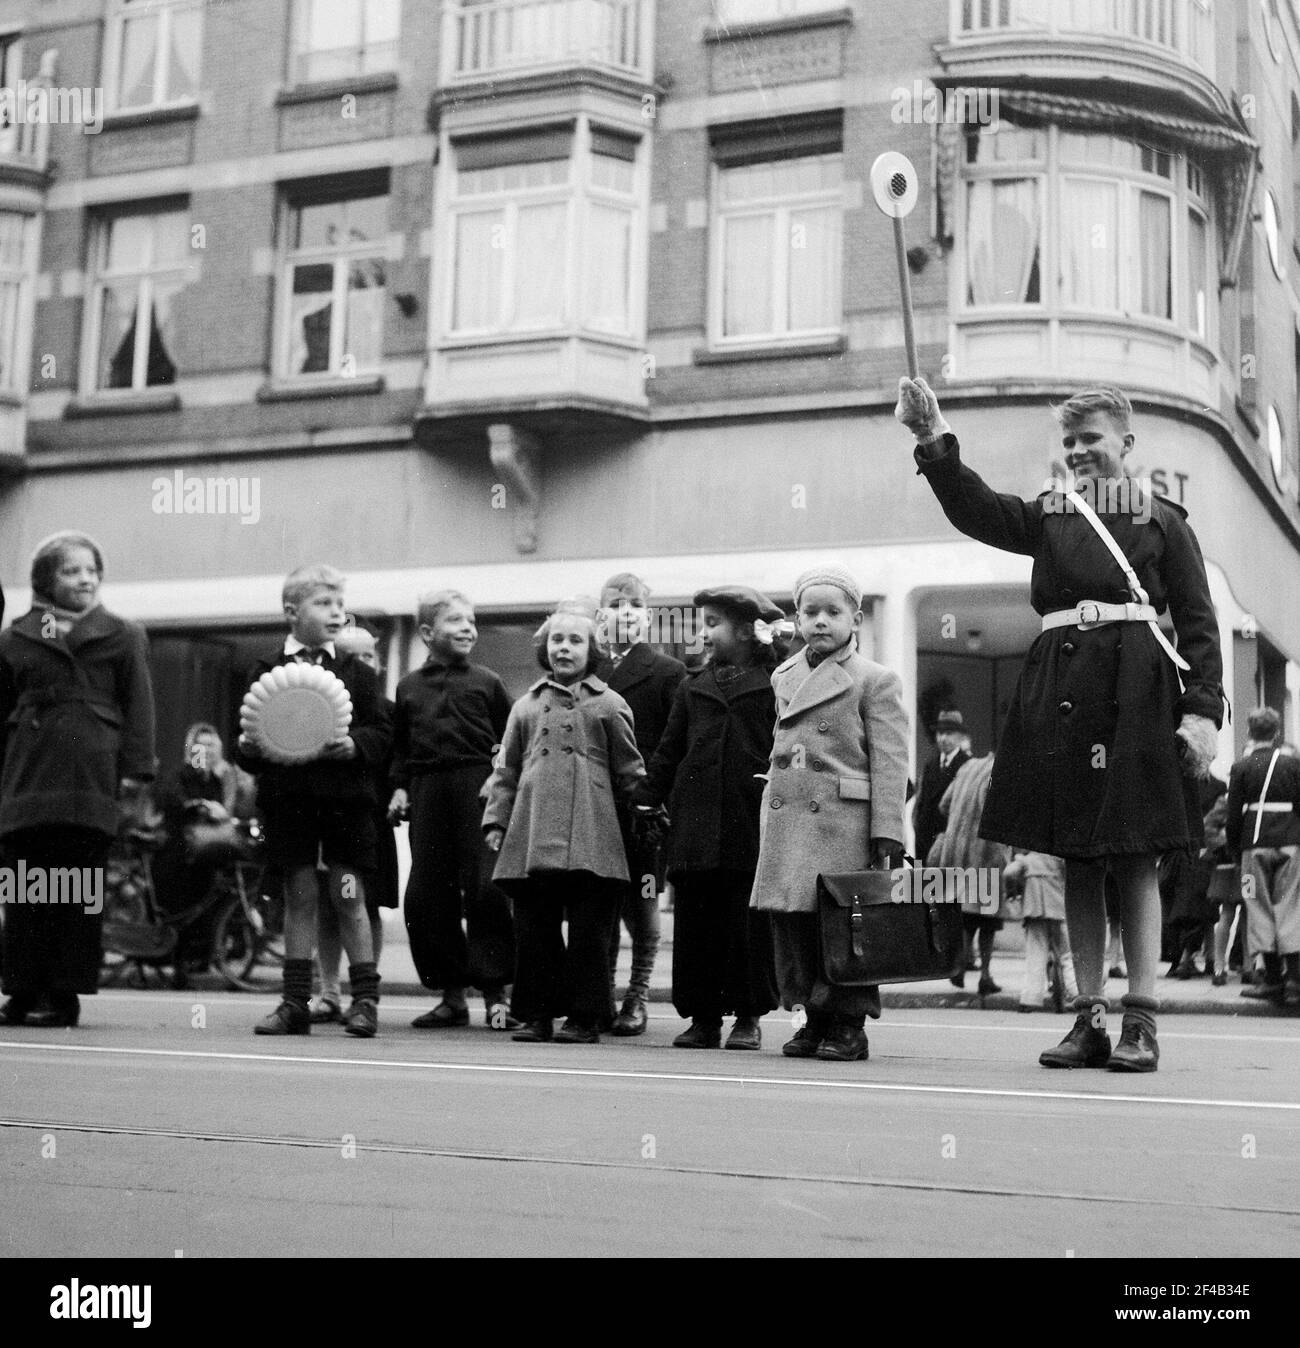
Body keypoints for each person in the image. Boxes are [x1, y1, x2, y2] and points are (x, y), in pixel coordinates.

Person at [898, 379, 1224, 1072]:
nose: (1078, 452)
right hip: (1058, 695)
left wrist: (1201, 711)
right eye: (1069, 442)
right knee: (1076, 859)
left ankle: (1142, 1021)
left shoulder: (1166, 521)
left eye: (1092, 439)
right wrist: (933, 441)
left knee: (1135, 859)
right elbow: (976, 510)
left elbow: (1198, 625)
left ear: (1127, 445)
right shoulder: (1048, 515)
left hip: (1135, 695)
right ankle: (1089, 1017)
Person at [749, 565, 910, 1063]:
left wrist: (888, 830)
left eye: (832, 612)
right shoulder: (784, 675)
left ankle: (848, 1024)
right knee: (795, 925)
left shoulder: (876, 680)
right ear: (797, 618)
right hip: (790, 819)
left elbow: (891, 762)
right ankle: (814, 1019)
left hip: (845, 823)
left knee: (844, 927)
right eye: (810, 612)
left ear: (855, 619)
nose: (821, 621)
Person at [0, 532, 155, 1028]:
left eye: (92, 570)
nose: (86, 579)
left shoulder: (123, 634)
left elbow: (141, 709)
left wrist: (135, 777)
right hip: (27, 778)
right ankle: (22, 992)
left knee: (75, 889)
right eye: (72, 571)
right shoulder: (14, 637)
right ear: (46, 580)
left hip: (91, 779)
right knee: (24, 887)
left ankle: (63, 995)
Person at [237, 565, 391, 1038]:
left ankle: (364, 1001)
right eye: (324, 603)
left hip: (344, 803)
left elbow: (383, 733)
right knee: (299, 895)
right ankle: (295, 1003)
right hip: (290, 803)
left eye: (339, 604)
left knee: (349, 893)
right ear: (291, 612)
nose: (336, 612)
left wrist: (355, 746)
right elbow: (246, 737)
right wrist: (252, 749)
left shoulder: (357, 673)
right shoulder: (266, 672)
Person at [482, 607, 645, 1044]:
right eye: (556, 640)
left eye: (575, 640)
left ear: (592, 650)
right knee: (535, 929)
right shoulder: (525, 706)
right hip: (532, 833)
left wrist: (647, 814)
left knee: (590, 932)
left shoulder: (611, 704)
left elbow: (631, 770)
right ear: (544, 648)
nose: (564, 648)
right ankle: (536, 1015)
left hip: (592, 833)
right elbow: (507, 769)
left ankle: (585, 1017)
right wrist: (496, 820)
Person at [636, 586, 782, 1050]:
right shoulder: (692, 685)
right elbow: (669, 748)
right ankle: (702, 1017)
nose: (704, 632)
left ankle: (747, 1016)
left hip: (748, 822)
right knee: (697, 925)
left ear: (746, 630)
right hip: (695, 825)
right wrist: (646, 797)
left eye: (714, 623)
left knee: (746, 925)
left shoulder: (776, 680)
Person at [387, 591, 517, 1030]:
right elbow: (400, 750)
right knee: (427, 895)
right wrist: (400, 789)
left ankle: (498, 996)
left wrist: (497, 779)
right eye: (456, 620)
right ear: (426, 633)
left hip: (477, 790)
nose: (468, 627)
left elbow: (509, 743)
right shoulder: (408, 687)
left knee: (487, 890)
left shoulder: (488, 681)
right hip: (427, 791)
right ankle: (451, 996)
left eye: (472, 621)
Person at [595, 573, 687, 1036]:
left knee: (644, 902)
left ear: (648, 617)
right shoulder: (588, 671)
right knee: (602, 906)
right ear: (600, 615)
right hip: (596, 808)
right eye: (614, 604)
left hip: (646, 810)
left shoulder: (667, 671)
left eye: (633, 605)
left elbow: (674, 743)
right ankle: (600, 995)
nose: (624, 612)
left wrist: (657, 800)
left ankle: (638, 996)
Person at [310, 623, 400, 1023]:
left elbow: (400, 761)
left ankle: (364, 996)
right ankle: (327, 992)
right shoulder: (315, 704)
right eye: (351, 656)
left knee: (368, 904)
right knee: (327, 907)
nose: (361, 663)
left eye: (368, 655)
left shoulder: (390, 711)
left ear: (378, 661)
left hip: (373, 819)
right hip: (328, 817)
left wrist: (400, 791)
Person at [153, 722, 256, 968]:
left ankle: (204, 953)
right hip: (180, 852)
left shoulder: (218, 780)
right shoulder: (181, 774)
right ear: (191, 748)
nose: (207, 750)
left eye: (211, 745)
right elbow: (174, 800)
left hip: (205, 853)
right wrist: (202, 806)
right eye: (202, 744)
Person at [1225, 707, 1300, 1006]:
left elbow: (1233, 816)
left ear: (1249, 732)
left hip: (1252, 848)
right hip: (1291, 845)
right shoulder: (1294, 765)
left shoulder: (1241, 767)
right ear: (1277, 733)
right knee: (1291, 907)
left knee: (1256, 906)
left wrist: (1234, 847)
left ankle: (1271, 980)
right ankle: (1295, 980)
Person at [933, 753, 1009, 995]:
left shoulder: (967, 766)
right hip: (985, 853)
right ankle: (985, 975)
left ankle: (960, 967)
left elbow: (944, 804)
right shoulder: (1001, 771)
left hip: (956, 853)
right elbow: (994, 809)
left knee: (966, 914)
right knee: (988, 919)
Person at [1004, 852, 1079, 1012]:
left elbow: (1009, 872)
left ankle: (1031, 998)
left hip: (1034, 910)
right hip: (1059, 910)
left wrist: (1012, 891)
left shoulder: (1028, 860)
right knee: (1067, 955)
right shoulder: (1059, 858)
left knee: (1036, 954)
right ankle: (1075, 993)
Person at [913, 709, 969, 866]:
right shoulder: (930, 765)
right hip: (925, 842)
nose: (943, 738)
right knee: (924, 887)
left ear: (960, 736)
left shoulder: (967, 765)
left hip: (949, 841)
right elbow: (921, 803)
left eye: (949, 733)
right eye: (940, 733)